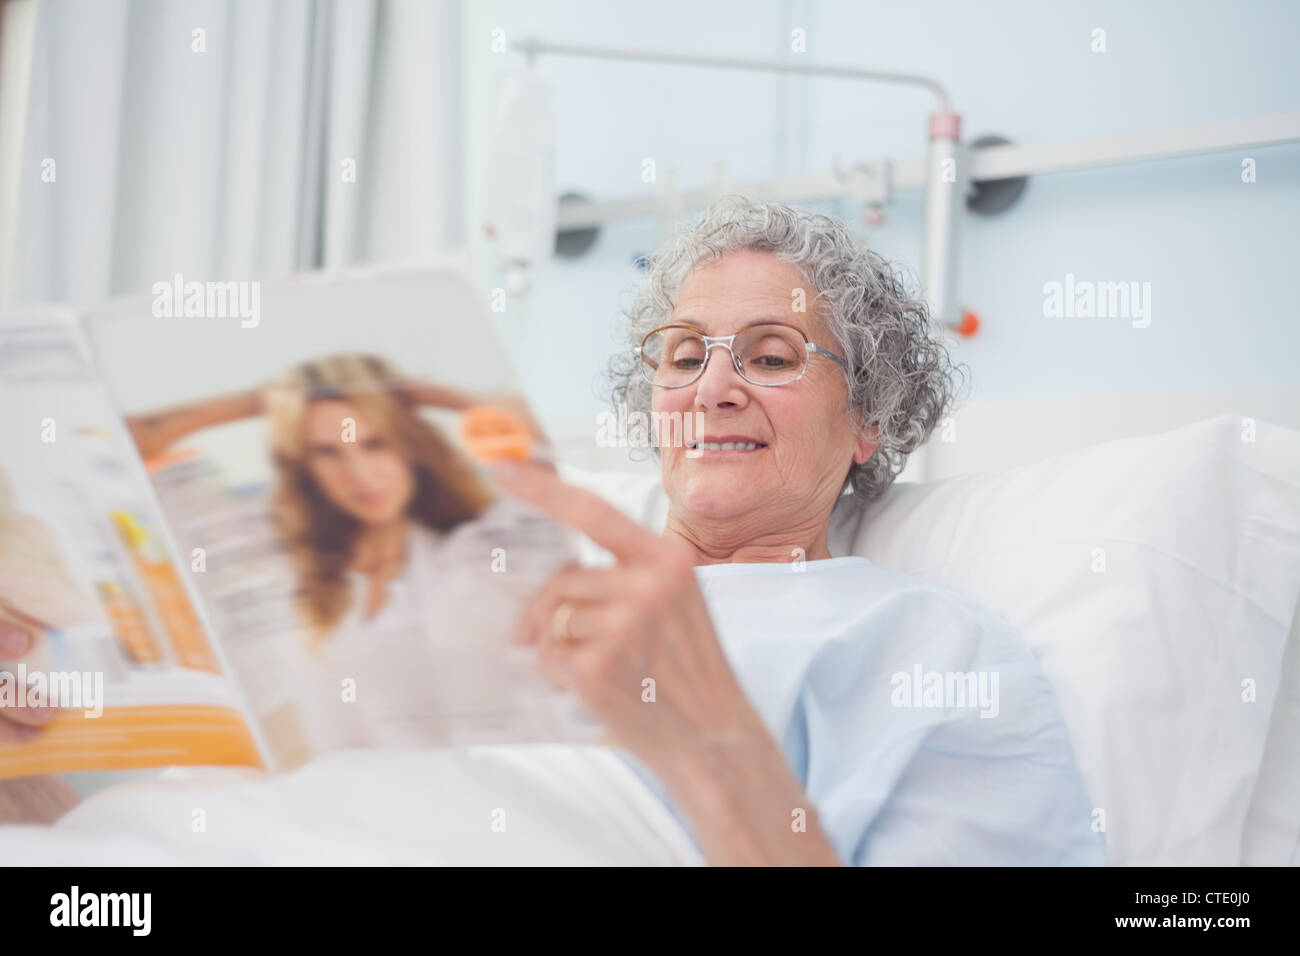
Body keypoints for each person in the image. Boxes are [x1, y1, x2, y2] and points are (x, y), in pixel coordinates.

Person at [488, 196, 1104, 866]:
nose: (711, 389)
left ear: (868, 416)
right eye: (687, 356)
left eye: (773, 358)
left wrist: (711, 738)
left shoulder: (930, 651)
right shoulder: (533, 592)